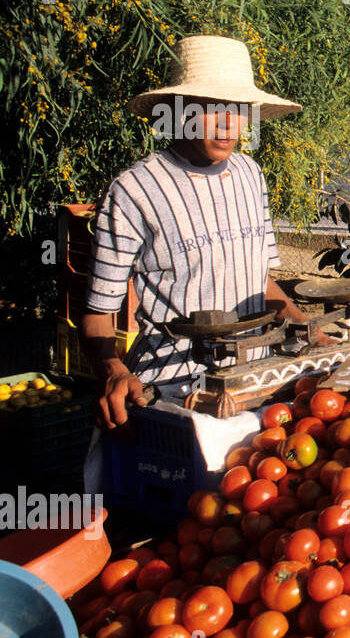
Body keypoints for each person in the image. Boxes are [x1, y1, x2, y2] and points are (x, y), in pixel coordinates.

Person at [82, 35, 317, 431]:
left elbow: (260, 281)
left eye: (240, 108)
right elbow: (97, 314)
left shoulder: (249, 175)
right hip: (170, 395)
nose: (229, 123)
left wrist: (305, 328)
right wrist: (113, 371)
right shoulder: (133, 191)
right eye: (211, 108)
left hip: (253, 384)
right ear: (178, 110)